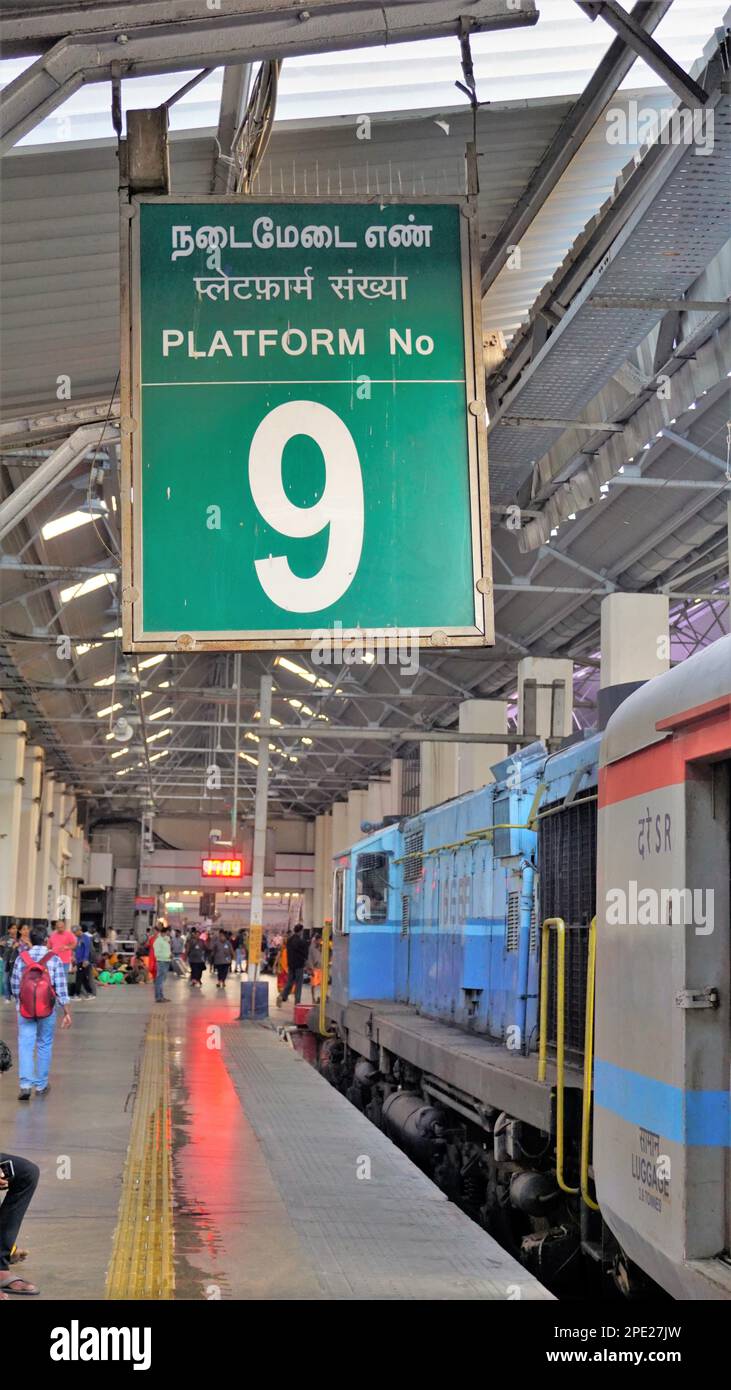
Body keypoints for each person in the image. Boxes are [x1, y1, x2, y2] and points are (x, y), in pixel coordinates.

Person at [11, 925, 71, 1100]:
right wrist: (66, 1012)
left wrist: (21, 1003)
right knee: (44, 1044)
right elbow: (61, 989)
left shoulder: (21, 958)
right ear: (47, 940)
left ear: (31, 939)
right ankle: (41, 1085)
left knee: (25, 1045)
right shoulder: (54, 959)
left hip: (25, 1009)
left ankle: (24, 1085)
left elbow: (15, 987)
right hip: (47, 1009)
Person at [277, 922, 308, 1007]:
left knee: (290, 982)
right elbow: (305, 954)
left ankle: (282, 996)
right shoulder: (301, 942)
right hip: (299, 966)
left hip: (291, 965)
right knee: (298, 984)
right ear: (301, 931)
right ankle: (297, 1003)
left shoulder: (289, 940)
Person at [48, 920, 77, 988]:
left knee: (63, 978)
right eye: (58, 927)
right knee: (54, 978)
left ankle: (63, 995)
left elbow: (74, 944)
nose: (60, 929)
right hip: (54, 960)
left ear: (64, 927)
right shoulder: (52, 935)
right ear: (56, 927)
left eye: (61, 927)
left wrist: (67, 947)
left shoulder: (69, 934)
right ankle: (55, 994)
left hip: (65, 960)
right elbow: (49, 946)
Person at [74, 926, 96, 999]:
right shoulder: (78, 938)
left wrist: (85, 960)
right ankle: (90, 993)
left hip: (83, 961)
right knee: (83, 978)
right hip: (78, 960)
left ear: (79, 930)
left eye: (75, 932)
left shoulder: (85, 938)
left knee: (79, 978)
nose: (74, 934)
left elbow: (87, 950)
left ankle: (77, 994)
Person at [152, 924, 172, 1002]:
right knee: (159, 980)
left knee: (162, 980)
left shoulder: (166, 940)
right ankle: (158, 997)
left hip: (166, 961)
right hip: (161, 962)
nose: (170, 933)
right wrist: (167, 956)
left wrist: (169, 955)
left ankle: (161, 996)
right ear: (165, 932)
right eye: (169, 932)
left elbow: (166, 950)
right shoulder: (158, 941)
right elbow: (157, 953)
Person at [1, 925, 18, 1001]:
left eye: (16, 928)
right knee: (5, 979)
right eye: (13, 928)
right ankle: (7, 997)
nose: (15, 930)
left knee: (14, 979)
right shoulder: (4, 938)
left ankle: (14, 995)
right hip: (6, 961)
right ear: (9, 930)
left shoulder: (19, 939)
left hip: (16, 961)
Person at [308, 930, 323, 1003]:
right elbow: (310, 958)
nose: (320, 941)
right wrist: (311, 969)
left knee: (321, 983)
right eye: (319, 940)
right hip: (314, 968)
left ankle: (320, 997)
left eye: (321, 940)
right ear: (316, 940)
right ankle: (313, 998)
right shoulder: (311, 948)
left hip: (321, 968)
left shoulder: (320, 947)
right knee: (313, 984)